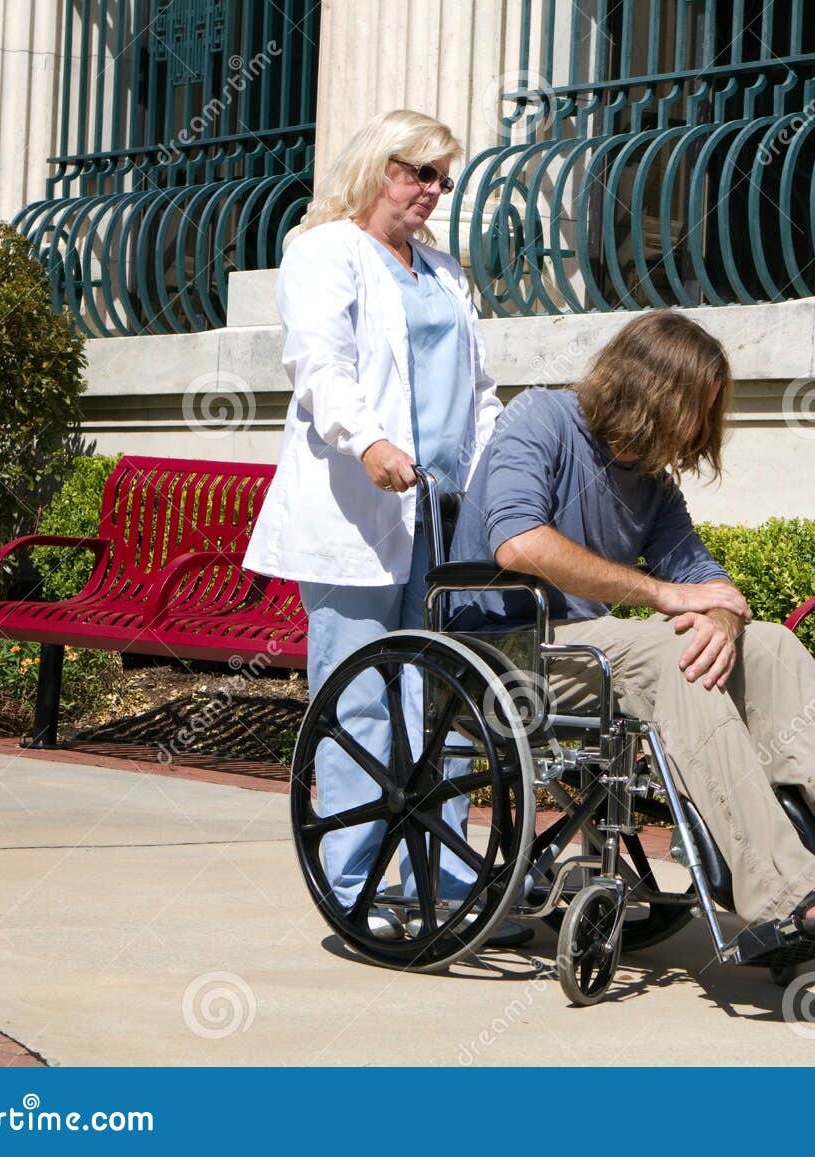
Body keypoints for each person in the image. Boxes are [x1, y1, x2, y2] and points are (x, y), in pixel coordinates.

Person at [448, 310, 815, 941]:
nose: (701, 428)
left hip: (589, 650)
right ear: (653, 391)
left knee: (770, 643)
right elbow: (519, 544)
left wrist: (719, 617)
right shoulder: (541, 417)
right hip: (508, 652)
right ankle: (784, 893)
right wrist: (665, 595)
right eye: (696, 408)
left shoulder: (652, 483)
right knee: (676, 655)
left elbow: (709, 581)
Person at [244, 109, 526, 946]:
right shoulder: (322, 250)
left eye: (444, 179)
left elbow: (476, 388)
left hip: (441, 513)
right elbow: (318, 363)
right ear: (376, 167)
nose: (434, 193)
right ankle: (357, 885)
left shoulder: (442, 270)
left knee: (443, 697)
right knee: (361, 697)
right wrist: (366, 439)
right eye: (420, 174)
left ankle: (443, 881)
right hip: (358, 509)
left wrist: (501, 470)